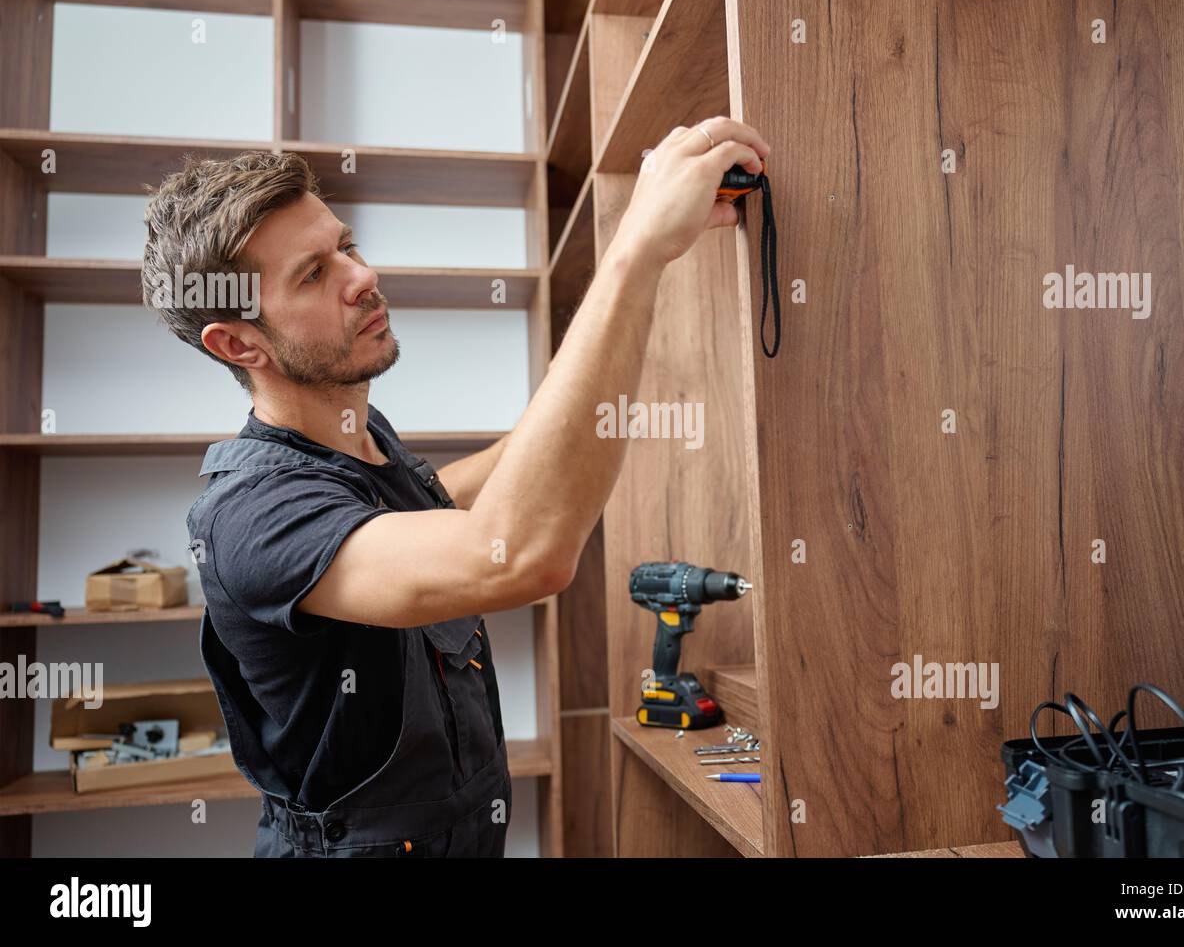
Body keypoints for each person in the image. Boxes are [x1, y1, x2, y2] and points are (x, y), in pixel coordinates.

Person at [141, 117, 771, 857]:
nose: (363, 276)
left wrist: (631, 336)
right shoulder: (251, 516)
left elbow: (464, 484)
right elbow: (516, 555)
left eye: (346, 246)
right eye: (313, 274)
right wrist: (635, 250)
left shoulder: (359, 446)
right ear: (239, 342)